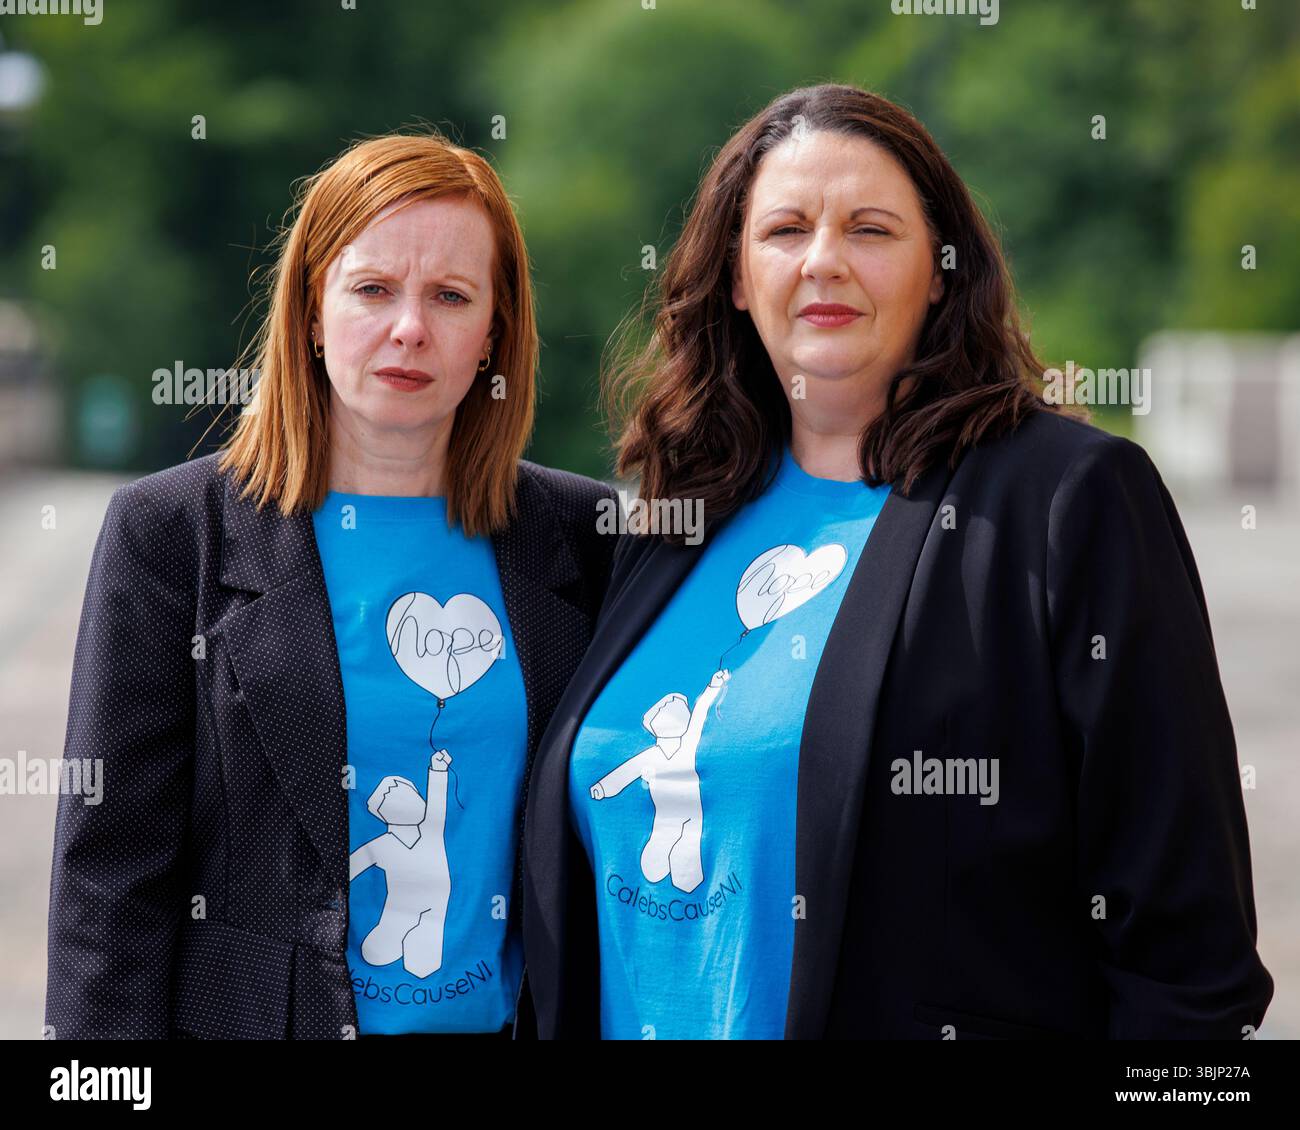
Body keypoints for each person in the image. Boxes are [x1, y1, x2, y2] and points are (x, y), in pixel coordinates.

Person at [520, 84, 1274, 1039]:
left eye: (871, 230)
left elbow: (1188, 956)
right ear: (739, 277)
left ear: (942, 274)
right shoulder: (675, 516)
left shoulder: (1067, 503)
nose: (825, 261)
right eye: (786, 229)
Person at [44, 131, 617, 1040]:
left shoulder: (583, 536)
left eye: (451, 297)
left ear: (494, 334)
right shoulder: (171, 535)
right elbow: (110, 878)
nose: (410, 328)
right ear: (312, 310)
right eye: (374, 289)